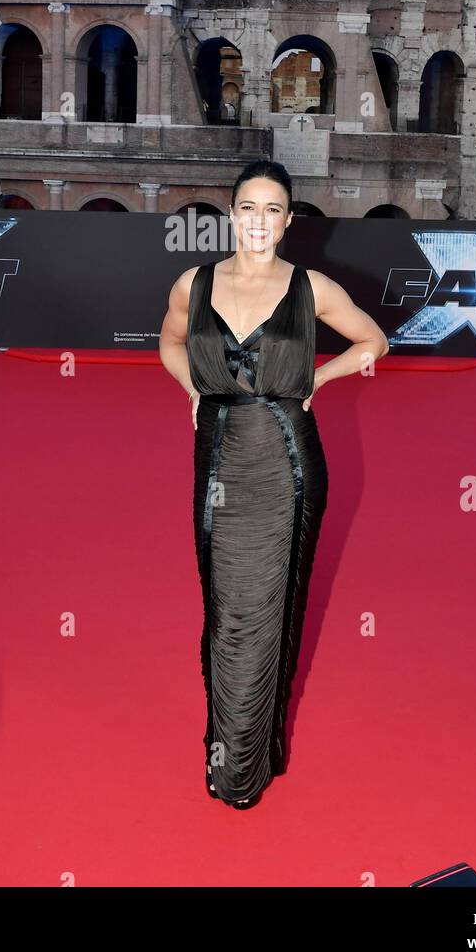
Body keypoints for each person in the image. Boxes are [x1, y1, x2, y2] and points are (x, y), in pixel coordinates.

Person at [159, 159, 389, 808]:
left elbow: (375, 340)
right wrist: (192, 391)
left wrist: (319, 379)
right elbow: (169, 342)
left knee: (263, 610)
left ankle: (241, 765)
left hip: (287, 464)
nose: (259, 222)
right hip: (217, 461)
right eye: (248, 208)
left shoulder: (309, 288)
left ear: (287, 221)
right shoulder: (193, 283)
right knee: (223, 608)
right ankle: (240, 742)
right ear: (232, 214)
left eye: (272, 211)